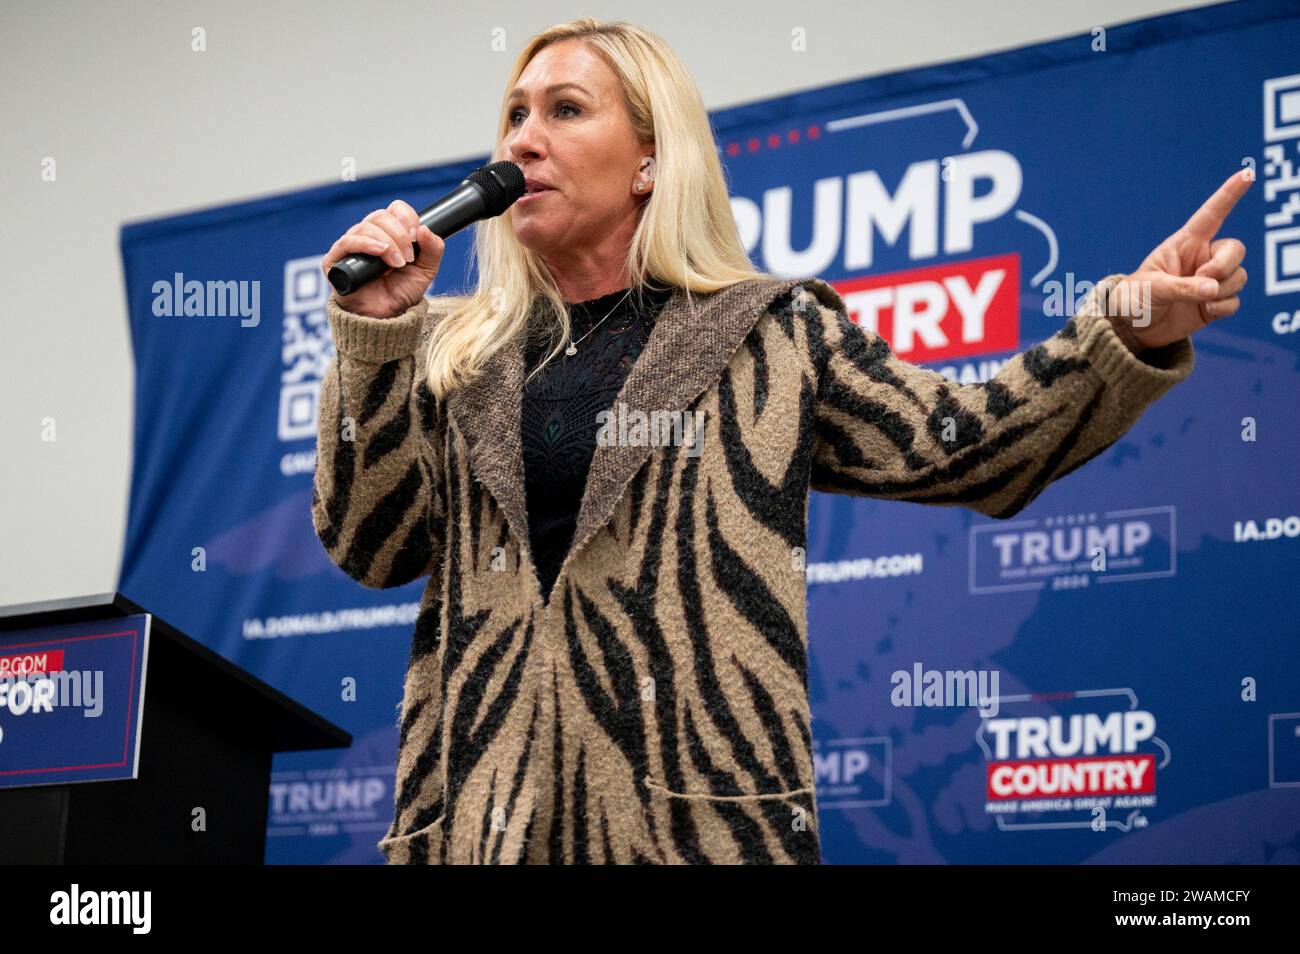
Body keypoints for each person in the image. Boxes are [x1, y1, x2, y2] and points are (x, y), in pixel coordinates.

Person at [313, 18, 1250, 864]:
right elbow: (372, 544)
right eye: (514, 115)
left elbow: (971, 443)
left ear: (650, 158)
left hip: (699, 834)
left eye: (565, 109)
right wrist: (374, 340)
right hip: (479, 832)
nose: (523, 140)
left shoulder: (770, 333)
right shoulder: (451, 352)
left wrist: (1124, 328)